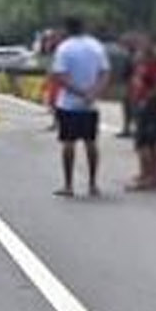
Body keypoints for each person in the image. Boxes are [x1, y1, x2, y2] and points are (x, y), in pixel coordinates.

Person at [47, 16, 110, 197]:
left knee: (68, 143)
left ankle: (68, 185)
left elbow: (60, 76)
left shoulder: (64, 48)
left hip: (69, 104)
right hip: (90, 105)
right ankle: (93, 184)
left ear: (67, 29)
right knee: (91, 143)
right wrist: (93, 93)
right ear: (84, 27)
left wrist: (80, 93)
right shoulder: (96, 46)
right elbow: (105, 73)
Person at [127, 36, 156, 191]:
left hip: (150, 107)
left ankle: (147, 177)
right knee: (151, 143)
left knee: (143, 143)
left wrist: (147, 98)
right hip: (148, 106)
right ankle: (151, 176)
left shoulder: (154, 64)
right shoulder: (145, 63)